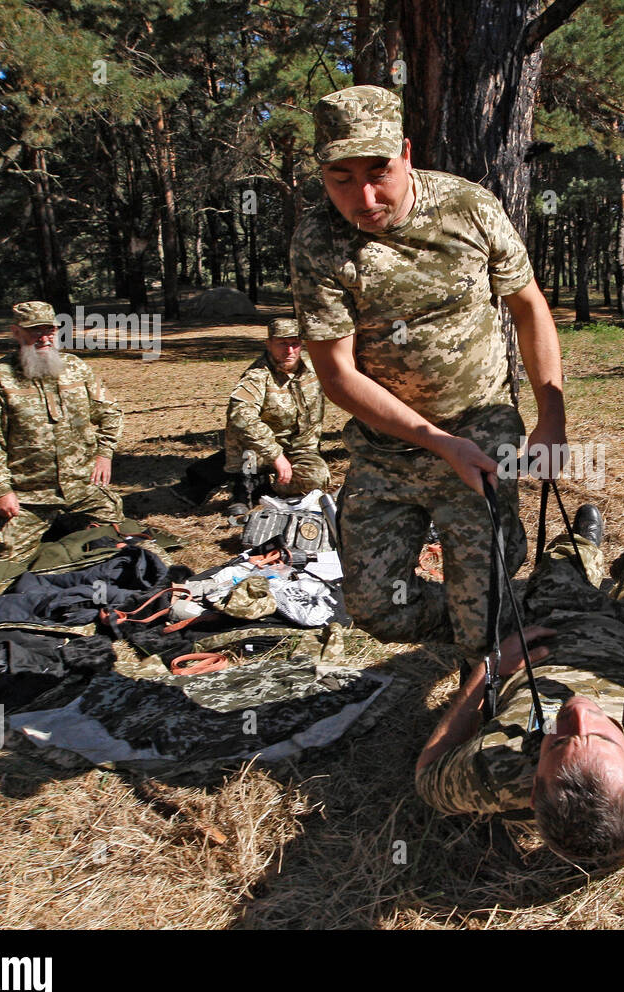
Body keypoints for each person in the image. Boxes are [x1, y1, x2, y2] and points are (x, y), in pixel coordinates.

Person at [290, 85, 567, 664]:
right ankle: (480, 618)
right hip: (388, 448)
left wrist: (551, 417)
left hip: (482, 430)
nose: (364, 196)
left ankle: (484, 645)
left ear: (407, 154)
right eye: (341, 178)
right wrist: (437, 443)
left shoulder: (468, 208)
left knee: (482, 624)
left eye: (379, 172)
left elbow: (528, 306)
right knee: (374, 609)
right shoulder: (318, 240)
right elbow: (337, 374)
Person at [415, 506, 624, 872]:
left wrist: (488, 669)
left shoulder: (498, 772)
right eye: (604, 739)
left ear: (535, 788)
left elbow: (427, 773)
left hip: (556, 625)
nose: (579, 711)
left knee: (557, 567)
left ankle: (582, 541)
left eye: (556, 740)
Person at [0, 301, 126, 562]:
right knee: (8, 554)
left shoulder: (76, 367)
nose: (44, 338)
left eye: (50, 331)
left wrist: (104, 454)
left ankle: (64, 525)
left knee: (116, 536)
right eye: (35, 332)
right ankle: (51, 526)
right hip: (30, 494)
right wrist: (1, 490)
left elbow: (110, 412)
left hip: (82, 485)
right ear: (16, 332)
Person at [173, 317, 330, 517]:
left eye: (295, 343)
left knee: (318, 479)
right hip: (261, 451)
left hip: (300, 449)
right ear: (269, 344)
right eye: (282, 343)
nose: (289, 350)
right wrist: (276, 456)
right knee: (244, 437)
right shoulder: (257, 376)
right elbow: (241, 416)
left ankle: (261, 483)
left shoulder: (314, 368)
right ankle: (242, 483)